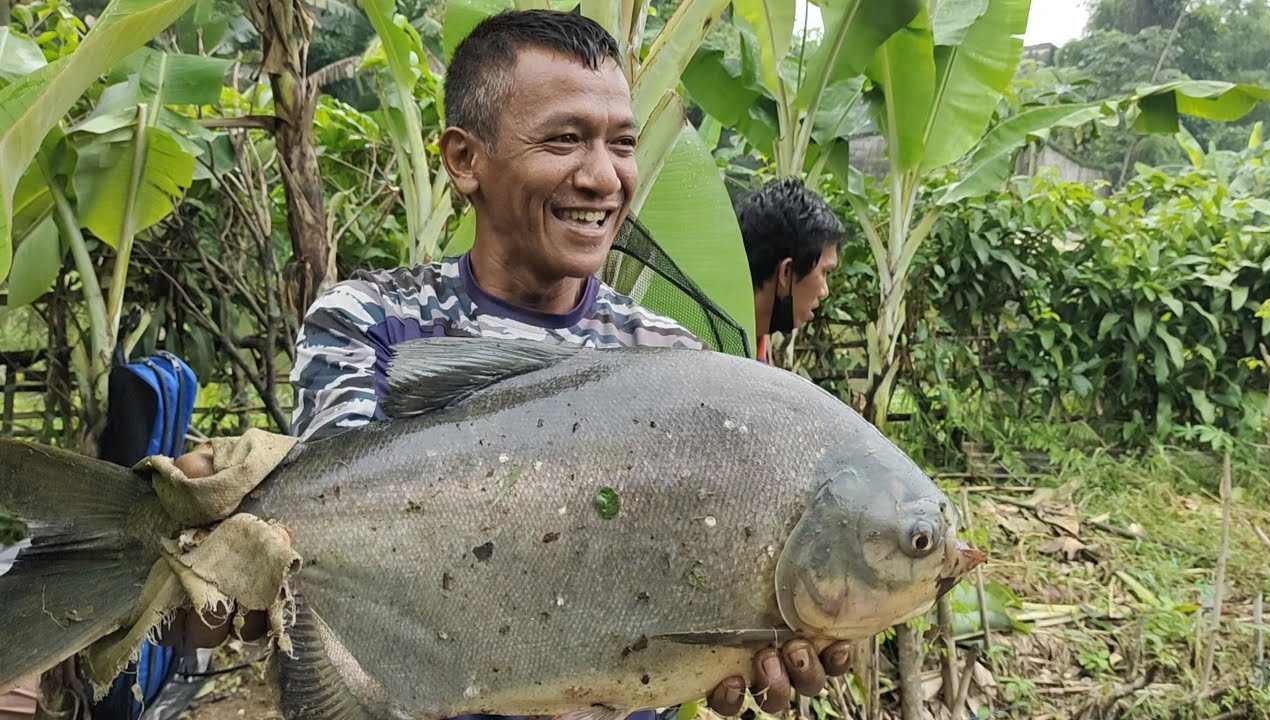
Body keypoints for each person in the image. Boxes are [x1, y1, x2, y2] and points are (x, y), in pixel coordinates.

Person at [155, 9, 850, 720]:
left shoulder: (671, 362)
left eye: (622, 143)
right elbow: (331, 547)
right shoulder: (370, 320)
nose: (602, 176)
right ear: (464, 159)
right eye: (565, 139)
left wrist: (764, 619)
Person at [734, 177, 847, 366]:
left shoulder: (756, 343)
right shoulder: (703, 349)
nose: (824, 291)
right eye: (824, 272)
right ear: (786, 272)